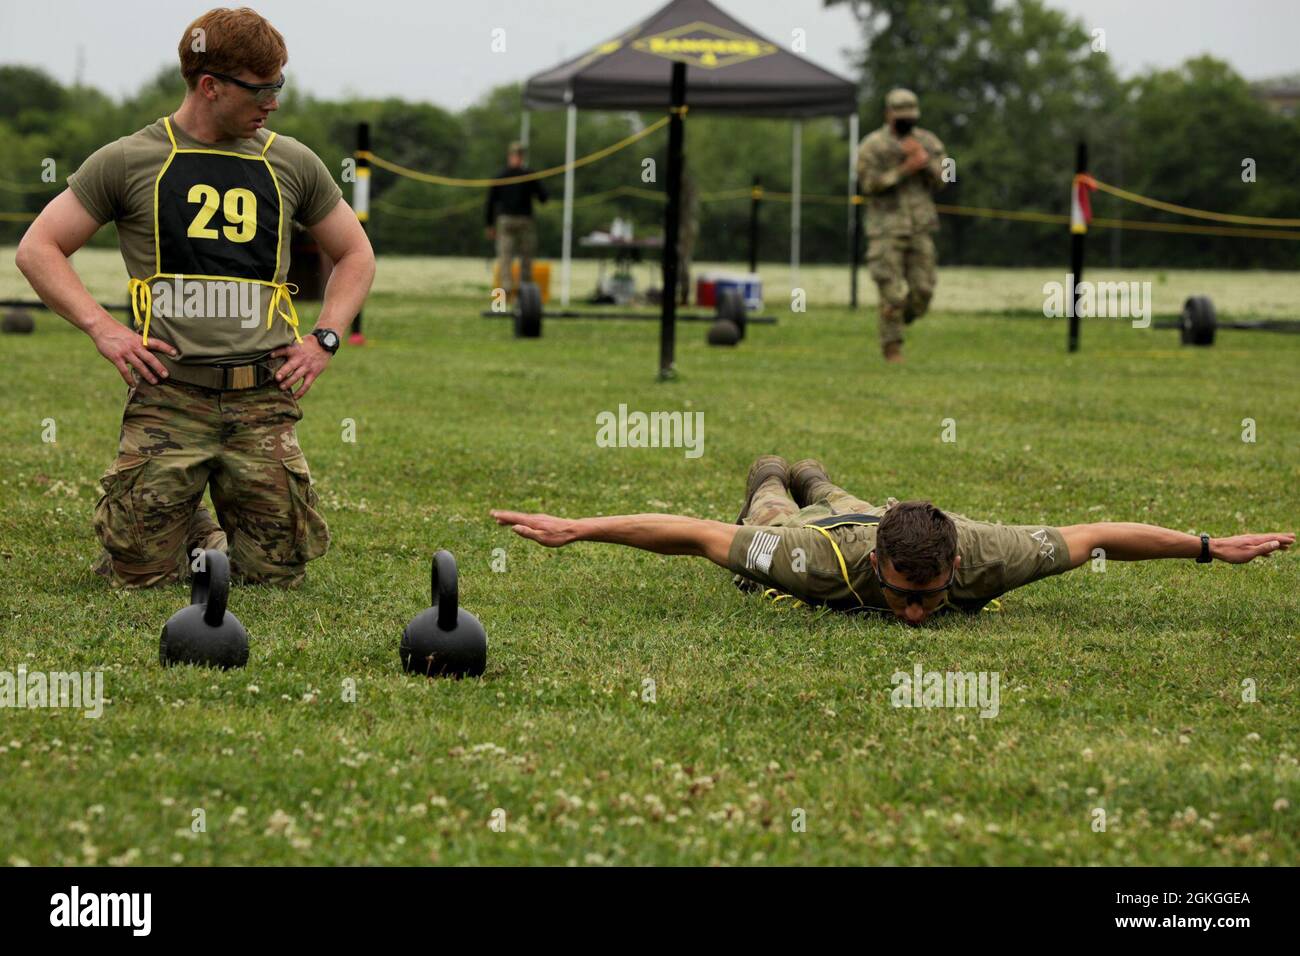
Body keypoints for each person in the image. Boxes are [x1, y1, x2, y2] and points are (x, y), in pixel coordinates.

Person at [15, 6, 375, 588]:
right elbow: (39, 248)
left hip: (262, 398)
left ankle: (202, 525)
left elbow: (357, 254)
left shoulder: (291, 160)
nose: (275, 102)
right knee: (138, 577)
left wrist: (325, 337)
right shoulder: (129, 159)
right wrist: (104, 329)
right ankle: (183, 523)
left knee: (274, 577)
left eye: (279, 84)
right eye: (262, 88)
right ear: (210, 86)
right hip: (169, 396)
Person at [492, 456, 1293, 626]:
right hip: (815, 532)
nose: (915, 615)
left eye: (931, 596)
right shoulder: (817, 566)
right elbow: (695, 535)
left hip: (874, 510)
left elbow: (1092, 535)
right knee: (769, 508)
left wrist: (1204, 545)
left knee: (841, 491)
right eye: (905, 598)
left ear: (951, 567)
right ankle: (777, 473)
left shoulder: (986, 556)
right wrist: (579, 529)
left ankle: (814, 470)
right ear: (880, 567)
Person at [856, 88, 947, 364]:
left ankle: (902, 316)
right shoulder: (872, 145)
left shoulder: (930, 142)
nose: (907, 122)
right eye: (901, 117)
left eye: (911, 117)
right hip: (886, 229)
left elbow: (947, 178)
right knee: (891, 292)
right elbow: (867, 184)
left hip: (921, 227)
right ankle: (892, 348)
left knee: (924, 290)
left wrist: (925, 162)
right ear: (889, 116)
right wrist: (904, 169)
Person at [485, 142, 547, 298]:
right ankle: (505, 291)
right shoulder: (505, 176)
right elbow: (491, 202)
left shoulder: (526, 175)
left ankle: (523, 290)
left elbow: (543, 196)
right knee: (505, 256)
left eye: (518, 156)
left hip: (523, 221)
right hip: (507, 221)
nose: (516, 158)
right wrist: (489, 224)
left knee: (526, 256)